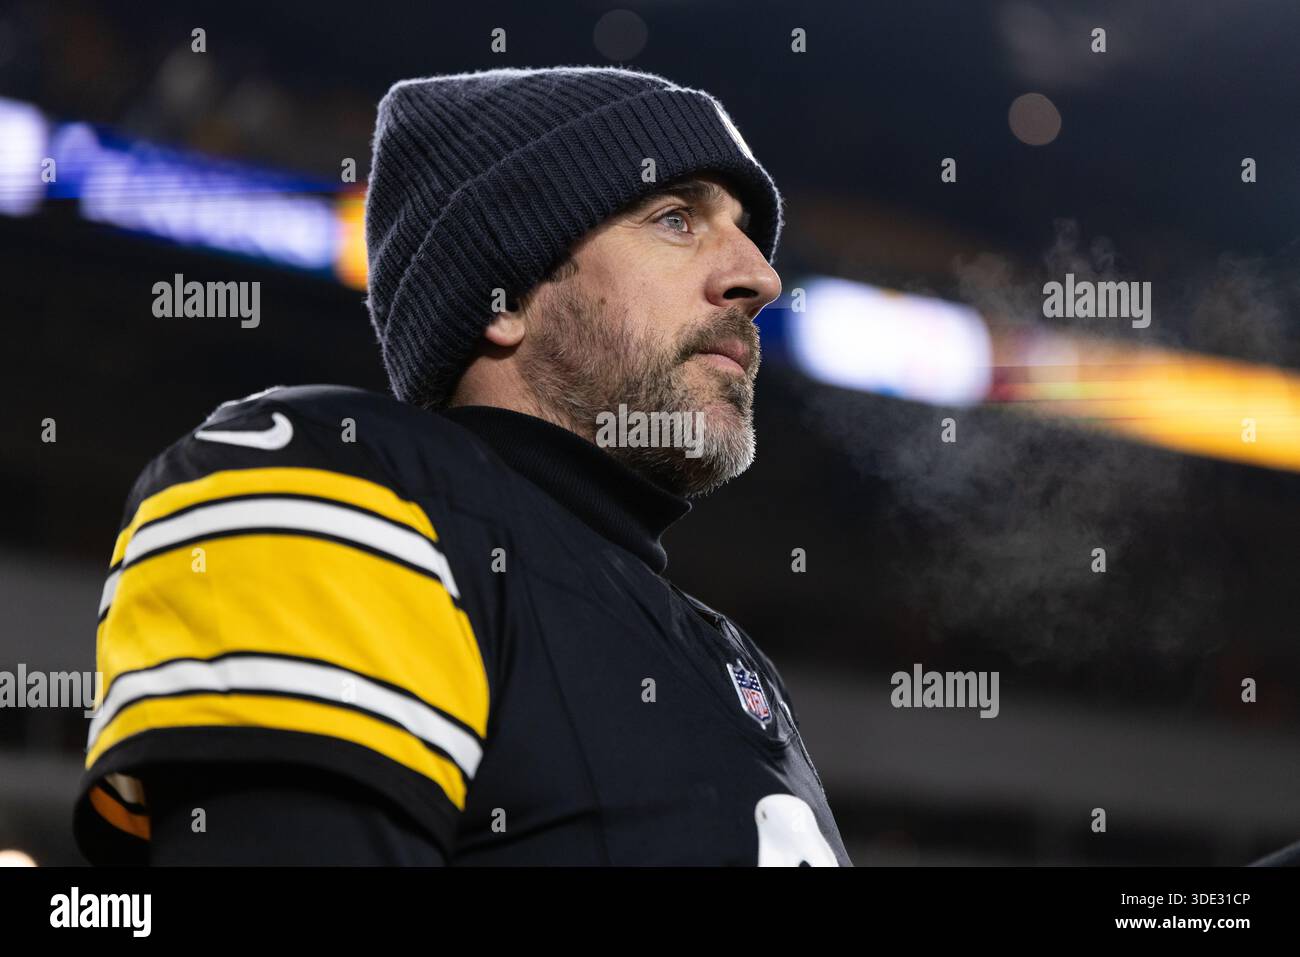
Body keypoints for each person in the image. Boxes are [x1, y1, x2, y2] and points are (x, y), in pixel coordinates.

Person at [73, 66, 850, 866]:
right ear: (503, 299)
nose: (760, 276)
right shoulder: (342, 485)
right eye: (677, 218)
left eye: (744, 229)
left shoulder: (728, 657)